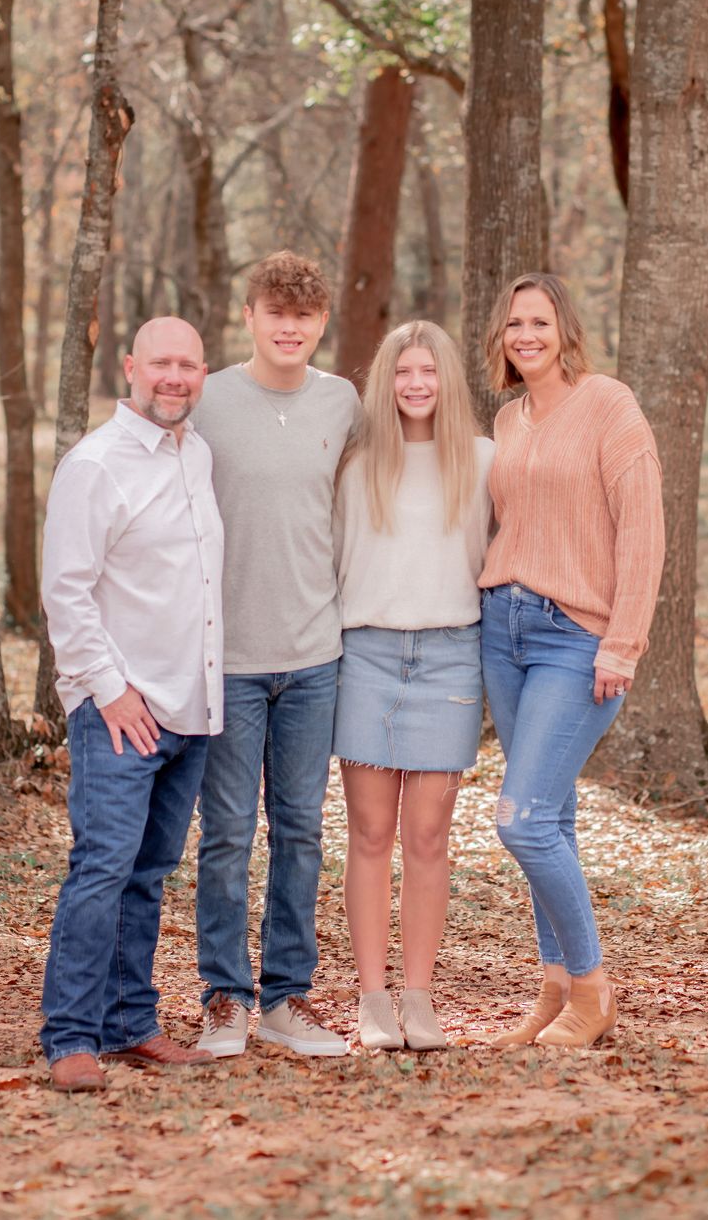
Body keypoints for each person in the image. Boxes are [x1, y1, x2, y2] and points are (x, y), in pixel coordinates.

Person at [478, 273, 665, 1049]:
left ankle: (591, 989)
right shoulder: (508, 419)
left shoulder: (609, 405)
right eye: (515, 323)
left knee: (520, 821)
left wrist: (622, 643)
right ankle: (554, 989)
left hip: (574, 638)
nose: (527, 335)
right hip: (504, 630)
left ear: (564, 329)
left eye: (540, 321)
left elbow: (643, 531)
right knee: (550, 817)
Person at [39, 317, 222, 1092]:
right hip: (120, 706)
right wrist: (108, 692)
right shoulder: (96, 464)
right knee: (103, 868)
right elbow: (66, 591)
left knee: (148, 873)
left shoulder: (197, 453)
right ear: (130, 368)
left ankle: (130, 1022)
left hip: (188, 705)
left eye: (187, 364)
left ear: (203, 373)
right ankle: (71, 1036)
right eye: (161, 364)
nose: (174, 378)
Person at [193, 251, 359, 1057]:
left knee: (300, 832)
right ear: (251, 317)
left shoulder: (343, 401)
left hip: (315, 655)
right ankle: (224, 999)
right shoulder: (210, 399)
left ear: (320, 322)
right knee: (226, 833)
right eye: (275, 313)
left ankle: (287, 1002)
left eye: (304, 315)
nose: (289, 327)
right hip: (230, 658)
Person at [332, 322, 494, 1051]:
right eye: (404, 372)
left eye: (429, 371)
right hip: (365, 654)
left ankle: (420, 997)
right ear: (386, 381)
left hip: (451, 657)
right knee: (369, 833)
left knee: (427, 836)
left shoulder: (484, 462)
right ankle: (371, 997)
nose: (417, 384)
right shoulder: (356, 463)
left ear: (447, 379)